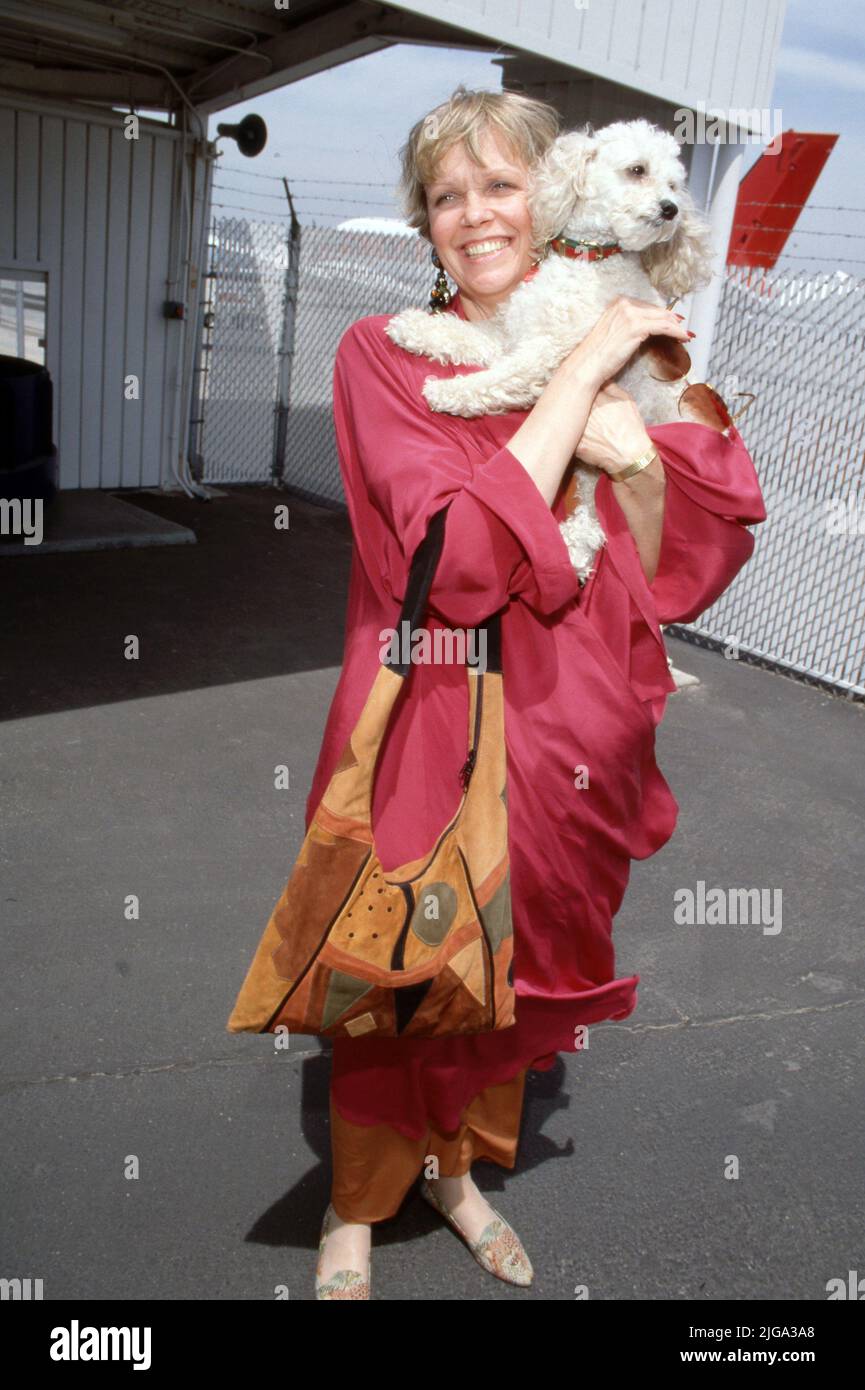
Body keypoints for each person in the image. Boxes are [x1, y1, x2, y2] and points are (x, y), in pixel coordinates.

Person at [311, 86, 766, 1298]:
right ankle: (352, 1208)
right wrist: (581, 380)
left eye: (499, 185)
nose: (475, 216)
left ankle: (455, 1179)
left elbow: (677, 563)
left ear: (549, 193)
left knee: (509, 975)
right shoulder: (386, 356)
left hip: (568, 720)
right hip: (425, 715)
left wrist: (633, 453)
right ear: (426, 222)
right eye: (446, 196)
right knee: (393, 977)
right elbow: (452, 559)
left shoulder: (641, 344)